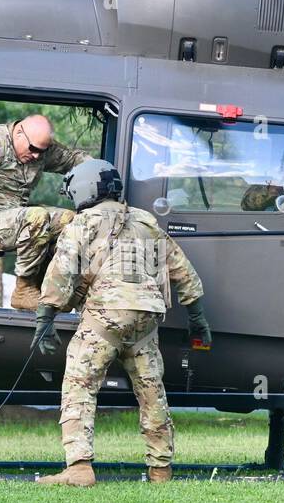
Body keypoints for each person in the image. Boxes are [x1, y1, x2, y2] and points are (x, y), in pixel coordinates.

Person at [31, 160, 211, 486]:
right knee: (152, 393)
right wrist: (197, 317)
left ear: (84, 189)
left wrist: (46, 317)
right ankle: (160, 469)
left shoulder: (83, 223)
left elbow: (63, 269)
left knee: (79, 384)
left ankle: (79, 467)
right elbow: (182, 269)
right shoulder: (146, 221)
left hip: (106, 318)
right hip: (145, 320)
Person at [0, 114, 91, 309]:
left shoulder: (38, 149)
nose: (36, 156)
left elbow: (72, 159)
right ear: (18, 133)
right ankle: (23, 290)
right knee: (36, 217)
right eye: (33, 149)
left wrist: (101, 170)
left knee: (71, 220)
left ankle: (49, 286)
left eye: (41, 152)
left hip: (18, 217)